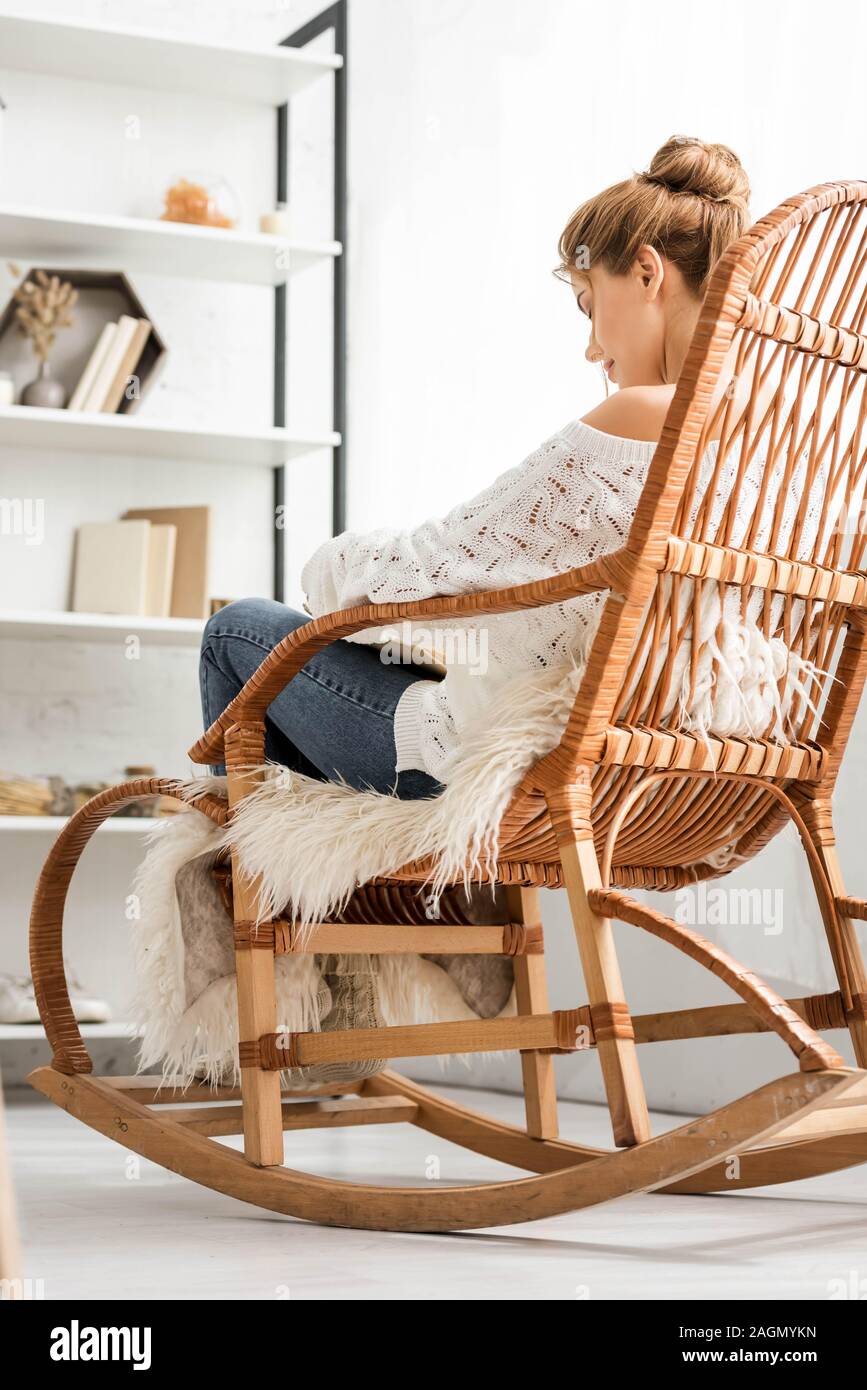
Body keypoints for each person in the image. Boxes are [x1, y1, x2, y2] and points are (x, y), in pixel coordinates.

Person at [200, 135, 751, 796]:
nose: (591, 349)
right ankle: (319, 879)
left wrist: (325, 575)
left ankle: (245, 880)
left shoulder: (639, 415)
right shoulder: (774, 434)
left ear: (644, 271)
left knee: (238, 628)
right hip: (672, 777)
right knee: (395, 653)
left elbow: (422, 567)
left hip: (476, 764)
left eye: (588, 304)